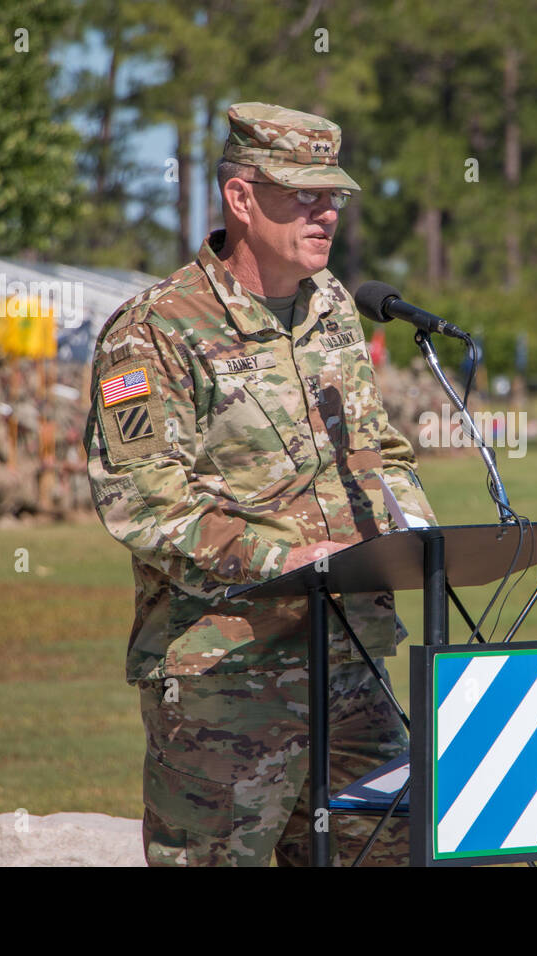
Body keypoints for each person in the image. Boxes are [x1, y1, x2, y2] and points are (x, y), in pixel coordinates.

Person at [85, 102, 437, 867]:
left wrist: (413, 530)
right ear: (241, 199)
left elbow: (381, 450)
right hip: (225, 680)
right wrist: (292, 558)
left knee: (401, 850)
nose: (326, 211)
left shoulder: (334, 308)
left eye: (333, 194)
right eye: (303, 194)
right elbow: (144, 502)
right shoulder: (151, 331)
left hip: (350, 662)